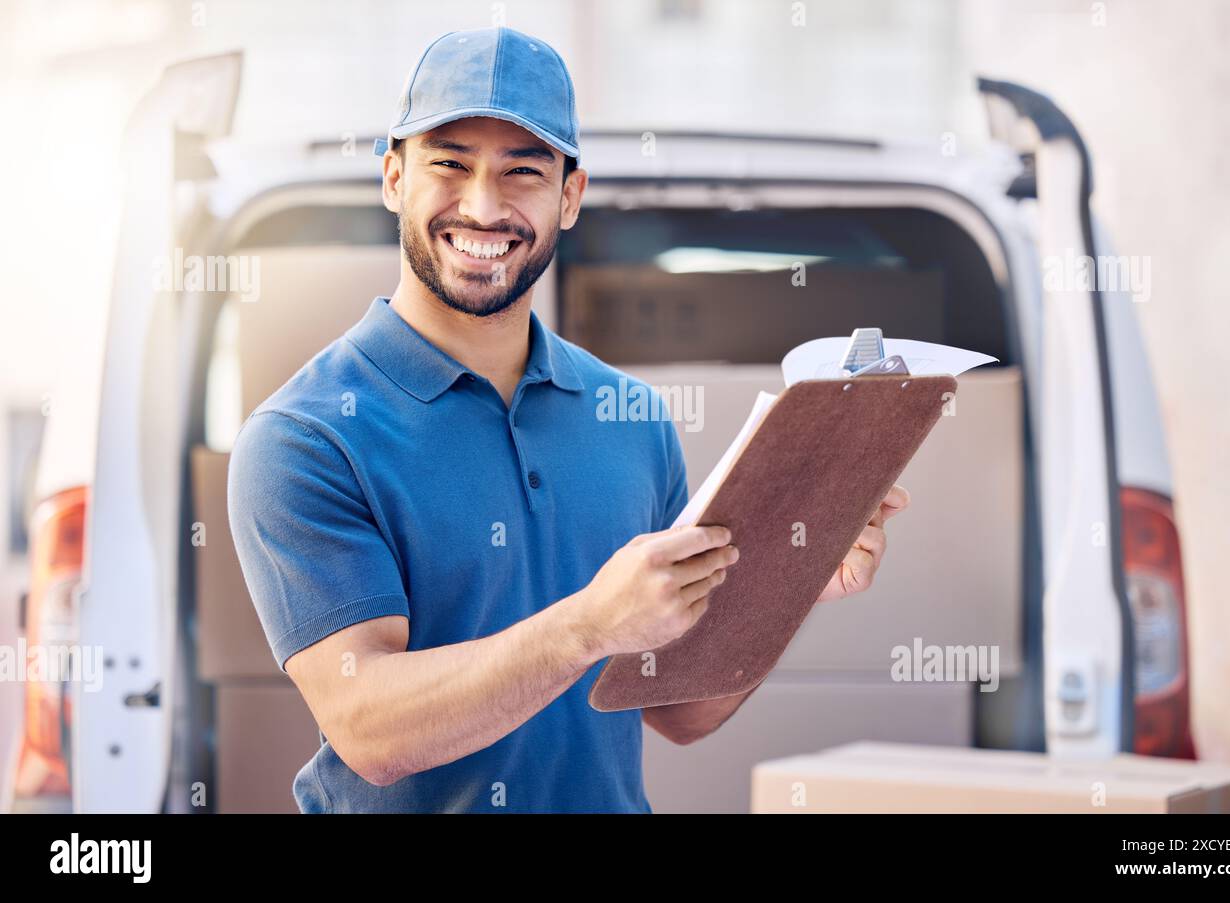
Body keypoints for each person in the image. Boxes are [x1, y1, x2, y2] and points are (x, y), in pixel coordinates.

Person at [227, 25, 909, 813]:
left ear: (570, 197)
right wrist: (588, 625)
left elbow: (677, 708)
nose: (484, 206)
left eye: (523, 171)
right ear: (392, 177)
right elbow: (371, 730)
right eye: (450, 163)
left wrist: (791, 577)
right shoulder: (306, 438)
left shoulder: (631, 419)